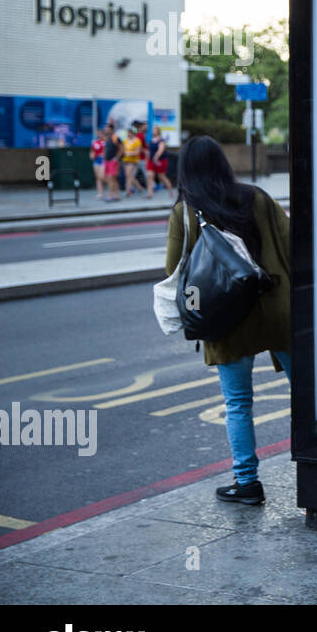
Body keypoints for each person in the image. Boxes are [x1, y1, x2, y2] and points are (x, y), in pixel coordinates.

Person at [164, 136, 291, 505]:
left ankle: (247, 483)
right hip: (276, 309)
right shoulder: (259, 198)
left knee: (238, 403)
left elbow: (175, 273)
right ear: (223, 163)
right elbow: (290, 243)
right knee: (307, 394)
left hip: (227, 319)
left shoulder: (186, 211)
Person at [145, 125, 174, 198]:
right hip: (151, 160)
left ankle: (171, 191)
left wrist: (156, 157)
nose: (153, 131)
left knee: (161, 176)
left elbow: (161, 150)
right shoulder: (151, 140)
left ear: (158, 131)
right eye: (152, 130)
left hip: (160, 160)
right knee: (150, 176)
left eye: (155, 129)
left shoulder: (161, 140)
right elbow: (149, 150)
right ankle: (150, 193)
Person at [101, 123, 123, 202]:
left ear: (112, 129)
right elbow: (106, 149)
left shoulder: (115, 137)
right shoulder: (107, 138)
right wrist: (104, 156)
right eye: (105, 128)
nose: (106, 130)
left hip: (113, 161)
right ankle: (117, 195)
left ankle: (110, 196)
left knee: (111, 178)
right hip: (107, 160)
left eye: (107, 128)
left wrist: (116, 158)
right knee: (112, 179)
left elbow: (121, 149)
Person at [121, 124, 144, 196]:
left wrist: (130, 153)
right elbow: (123, 150)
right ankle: (139, 187)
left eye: (129, 132)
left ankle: (128, 191)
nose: (128, 134)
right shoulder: (125, 140)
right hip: (125, 160)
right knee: (130, 176)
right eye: (128, 132)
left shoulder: (137, 141)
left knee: (128, 176)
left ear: (133, 133)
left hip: (133, 160)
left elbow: (137, 152)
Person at [89, 129, 107, 200]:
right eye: (98, 133)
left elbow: (106, 151)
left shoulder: (105, 141)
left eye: (100, 133)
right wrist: (91, 155)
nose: (99, 135)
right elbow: (92, 151)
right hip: (96, 160)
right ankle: (100, 193)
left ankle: (112, 187)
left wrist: (103, 155)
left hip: (103, 160)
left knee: (102, 176)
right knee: (98, 177)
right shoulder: (94, 142)